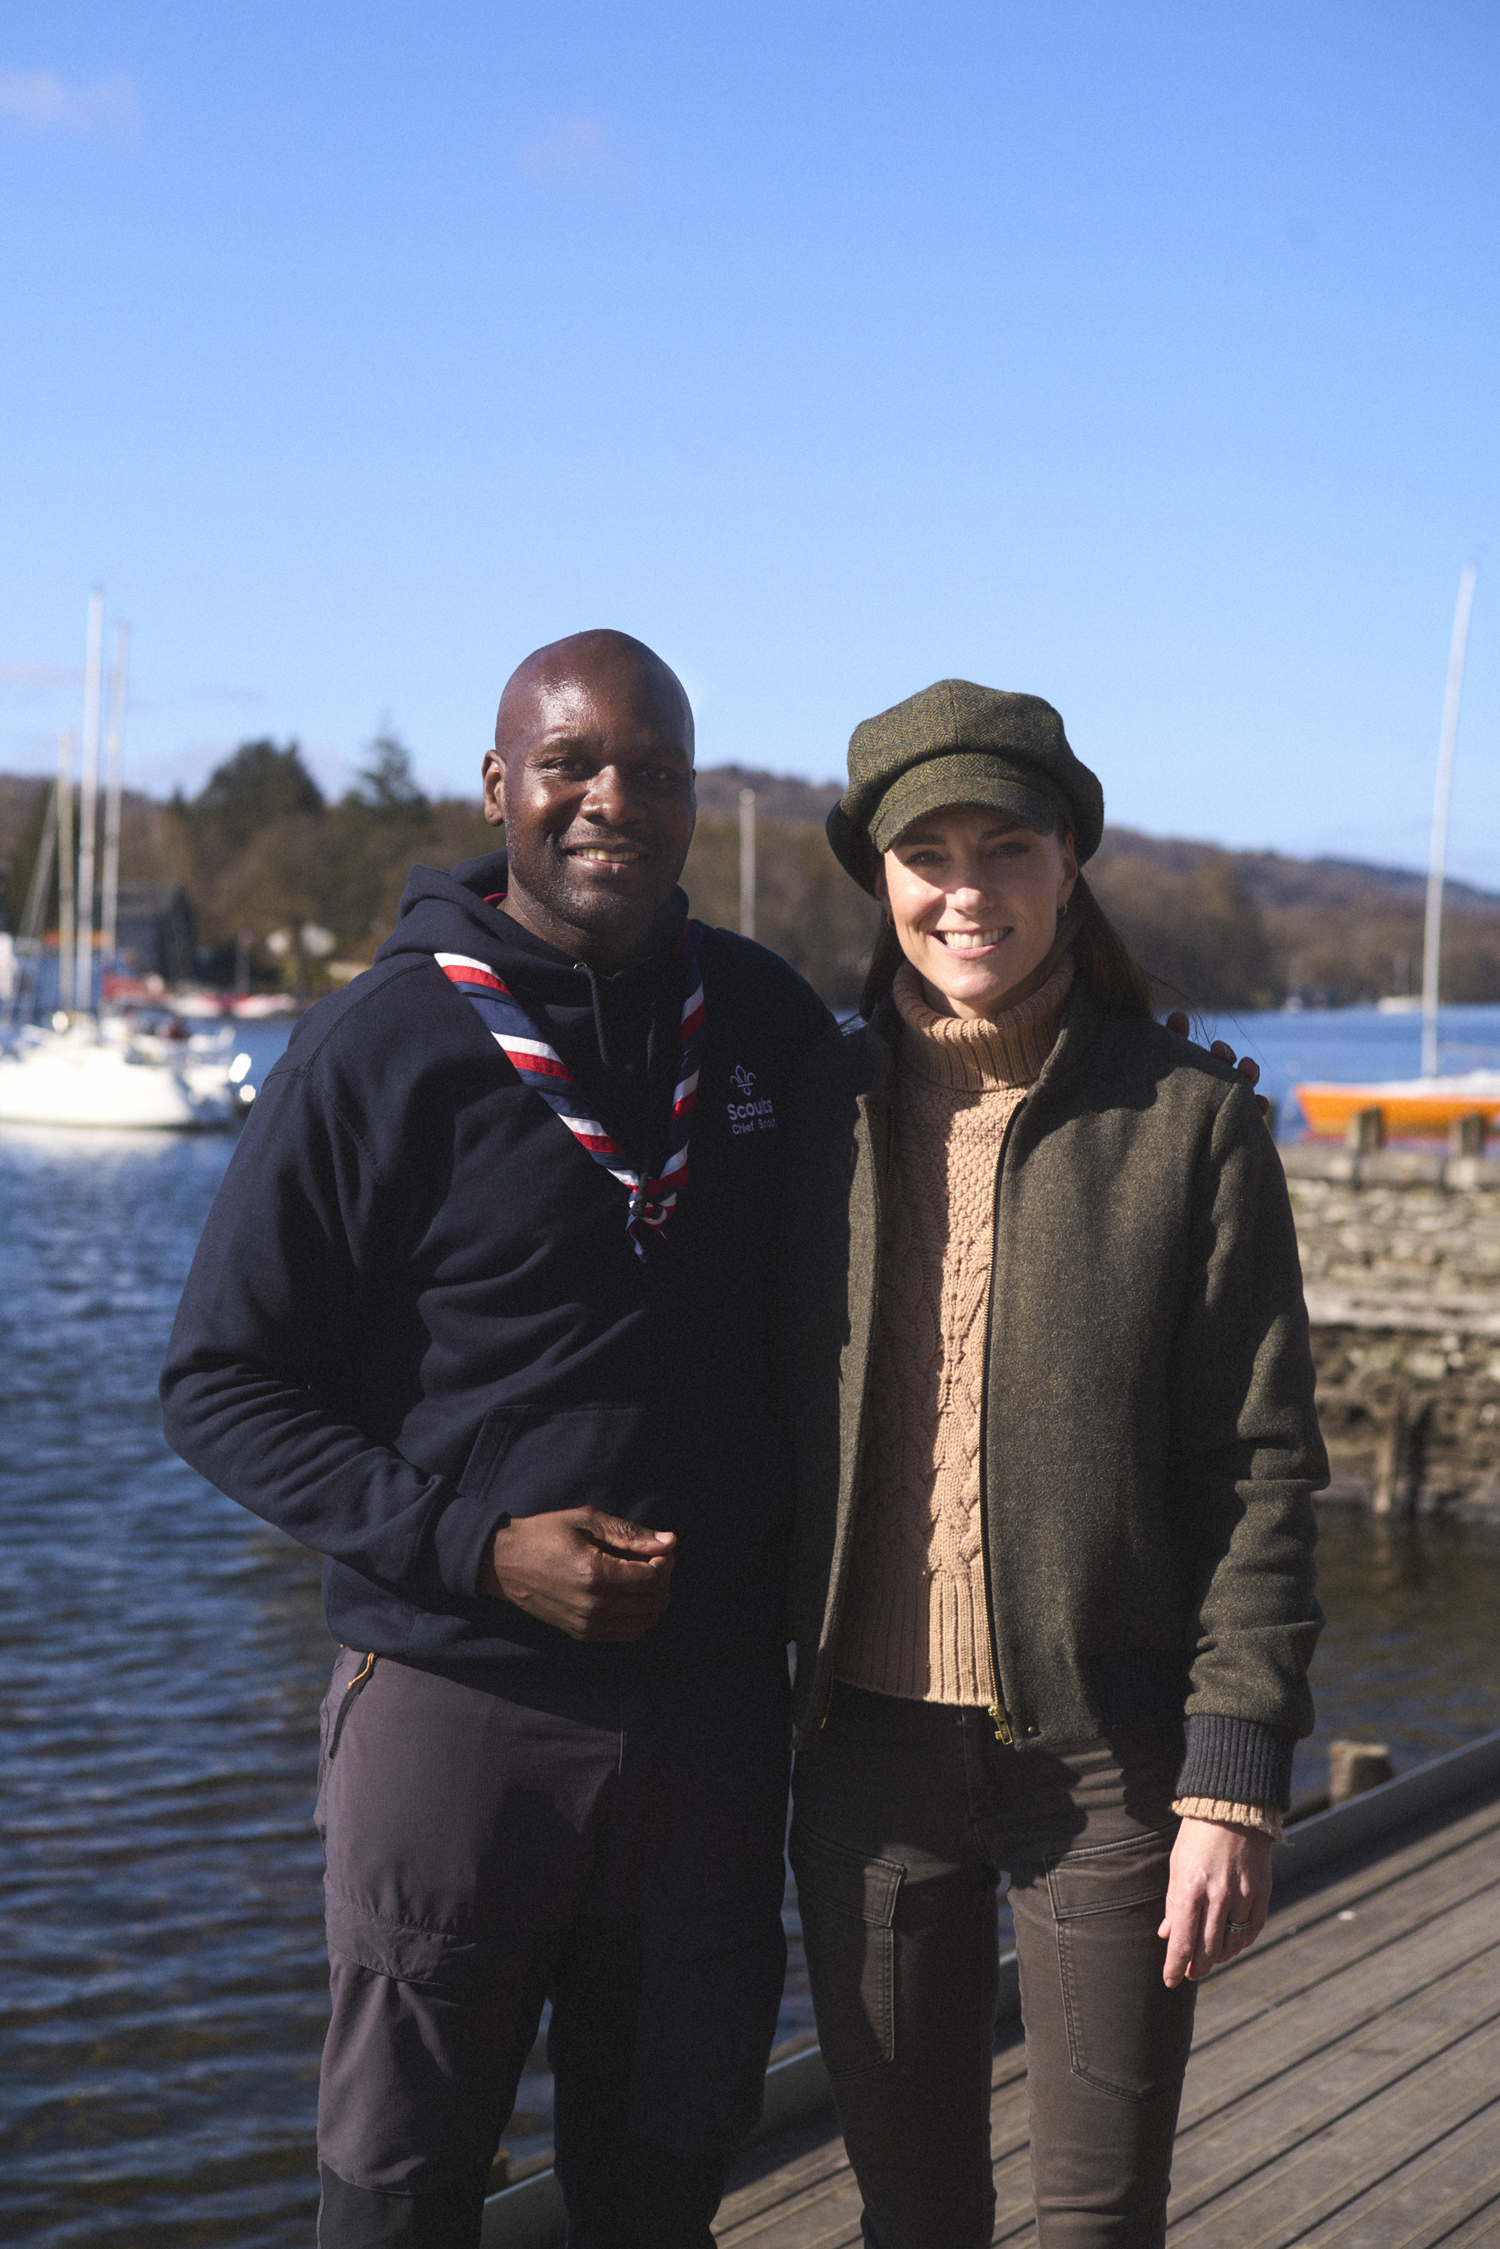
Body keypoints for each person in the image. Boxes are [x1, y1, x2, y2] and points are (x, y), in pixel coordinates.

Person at [159, 630, 833, 2249]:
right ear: (499, 786)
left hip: (711, 1723)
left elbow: (959, 1138)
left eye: (654, 773)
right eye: (574, 766)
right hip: (459, 1710)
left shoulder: (761, 1023)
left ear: (695, 798)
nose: (614, 802)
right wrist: (476, 1544)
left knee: (666, 2181)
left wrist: (1149, 1080)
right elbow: (219, 1384)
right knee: (400, 2193)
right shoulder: (375, 1046)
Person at [779, 680, 1325, 2249]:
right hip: (865, 1762)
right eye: (926, 853)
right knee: (914, 2213)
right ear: (877, 876)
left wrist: (1235, 1779)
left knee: (1098, 2219)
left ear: (1068, 862)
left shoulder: (1190, 1123)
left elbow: (1262, 1469)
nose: (966, 892)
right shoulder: (809, 1111)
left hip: (1108, 1768)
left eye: (1004, 847)